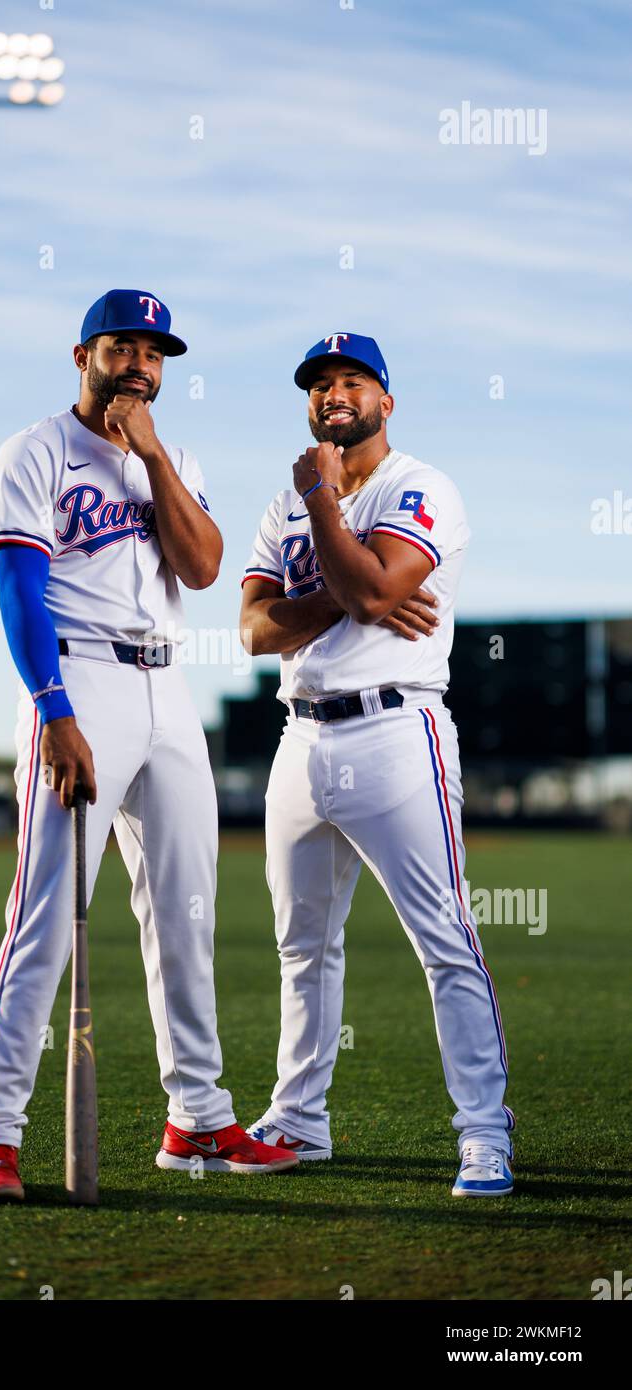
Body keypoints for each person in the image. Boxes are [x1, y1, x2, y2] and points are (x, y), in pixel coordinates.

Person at [0, 289, 299, 1201]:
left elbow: (201, 566)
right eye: (123, 346)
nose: (140, 363)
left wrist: (149, 455)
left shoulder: (171, 455)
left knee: (187, 913)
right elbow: (18, 593)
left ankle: (197, 1119)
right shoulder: (33, 452)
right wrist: (54, 710)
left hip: (166, 687)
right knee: (43, 915)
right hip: (80, 683)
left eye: (155, 351)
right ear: (84, 356)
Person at [239, 331, 515, 1197]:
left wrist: (324, 509)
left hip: (396, 729)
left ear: (385, 400)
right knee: (300, 948)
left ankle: (483, 1131)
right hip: (301, 735)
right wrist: (348, 592)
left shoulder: (418, 485)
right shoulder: (280, 507)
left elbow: (371, 593)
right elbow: (254, 631)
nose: (333, 395)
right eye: (319, 384)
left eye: (351, 381)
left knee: (442, 939)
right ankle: (298, 1120)